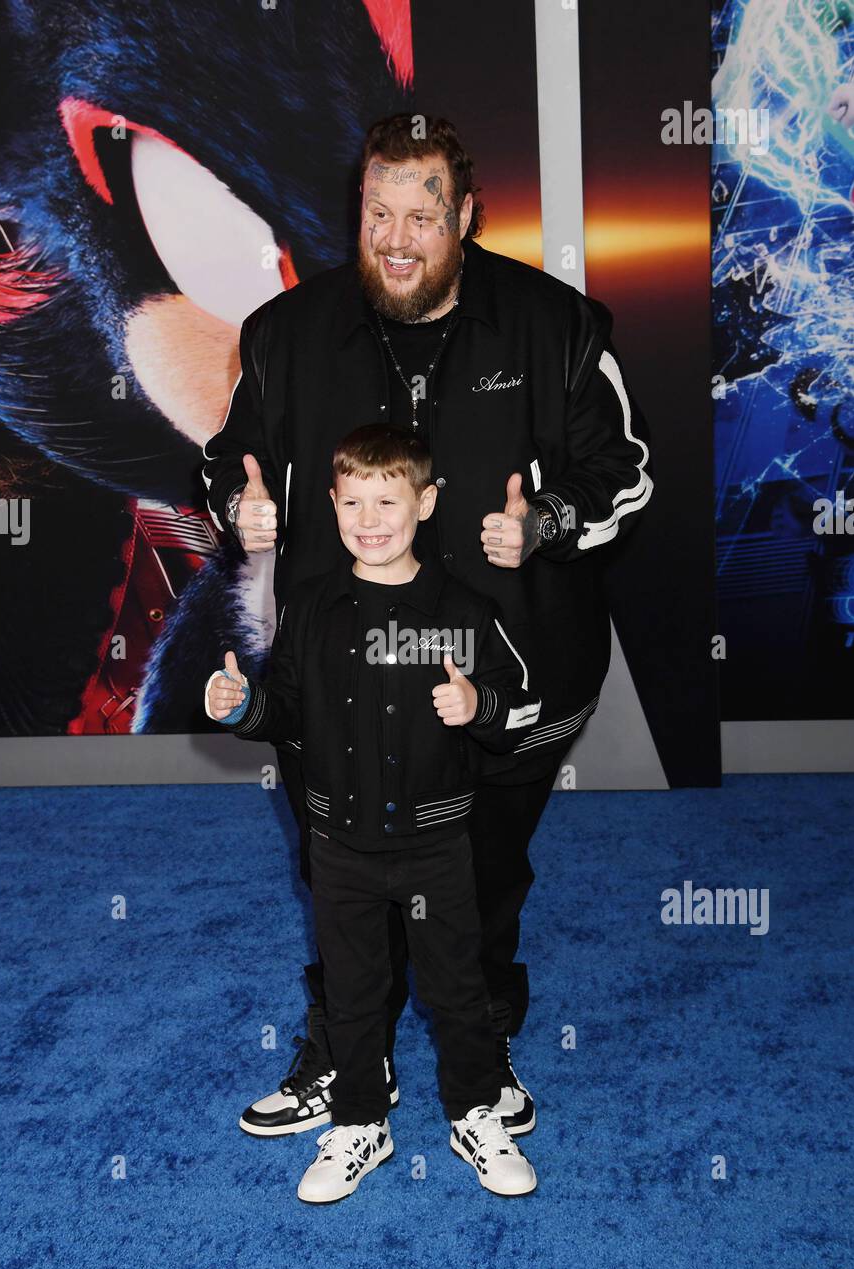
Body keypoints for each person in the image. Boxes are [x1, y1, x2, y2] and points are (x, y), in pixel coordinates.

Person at [201, 113, 653, 1138]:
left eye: (421, 215)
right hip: (342, 683)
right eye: (377, 214)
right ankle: (345, 1044)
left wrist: (545, 520)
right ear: (355, 211)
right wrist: (242, 506)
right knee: (336, 876)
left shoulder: (560, 324)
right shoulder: (283, 334)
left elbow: (626, 472)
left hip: (508, 670)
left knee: (482, 878)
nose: (396, 239)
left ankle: (478, 1043)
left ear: (468, 216)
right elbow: (225, 461)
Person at [205, 423, 541, 1201]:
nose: (369, 517)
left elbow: (521, 709)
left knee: (457, 988)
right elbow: (286, 711)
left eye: (387, 499)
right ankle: (359, 1123)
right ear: (330, 503)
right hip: (341, 848)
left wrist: (477, 704)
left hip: (437, 848)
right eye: (352, 500)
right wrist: (244, 704)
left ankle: (478, 1111)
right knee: (352, 993)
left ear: (425, 502)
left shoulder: (464, 608)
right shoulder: (314, 606)